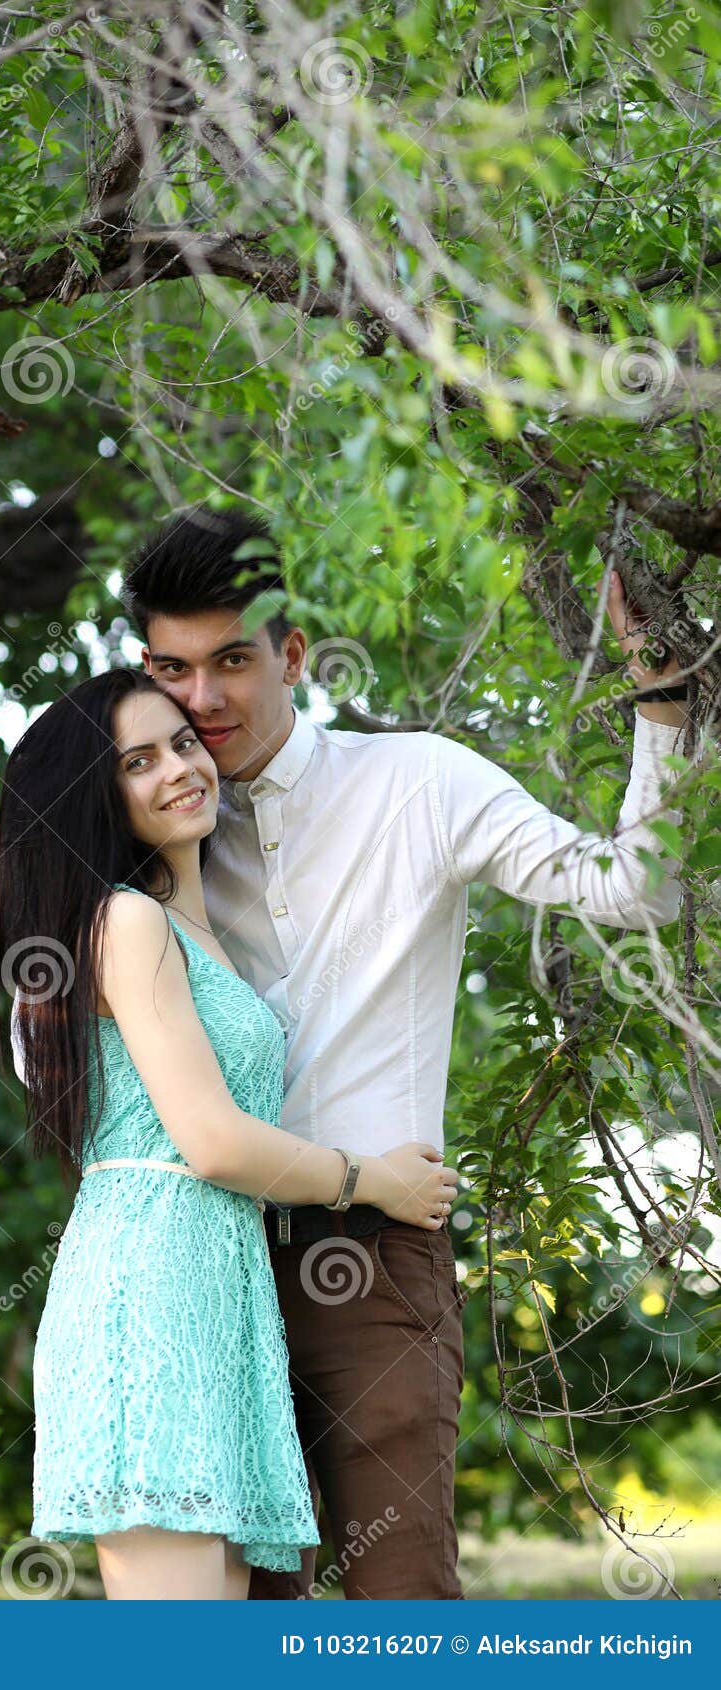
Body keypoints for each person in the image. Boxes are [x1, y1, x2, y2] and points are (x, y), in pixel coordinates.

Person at [121, 504, 692, 1599]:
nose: (201, 700)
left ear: (293, 654)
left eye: (231, 661)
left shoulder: (420, 781)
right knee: (237, 1629)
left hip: (375, 1253)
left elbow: (634, 888)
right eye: (172, 669)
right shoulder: (149, 826)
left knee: (401, 1605)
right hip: (202, 1257)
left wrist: (659, 701)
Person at [0, 667, 457, 1600]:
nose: (178, 769)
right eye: (138, 762)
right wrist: (375, 1181)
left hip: (217, 1298)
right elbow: (213, 1143)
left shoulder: (193, 936)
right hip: (152, 1297)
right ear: (94, 797)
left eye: (182, 744)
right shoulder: (125, 921)